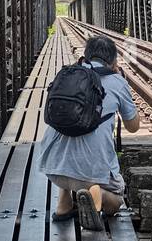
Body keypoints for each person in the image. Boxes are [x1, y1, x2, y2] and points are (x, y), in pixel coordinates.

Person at [40, 34, 140, 230]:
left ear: (85, 56)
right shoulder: (117, 81)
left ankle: (64, 204)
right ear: (113, 61)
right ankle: (97, 195)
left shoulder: (67, 75)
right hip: (90, 173)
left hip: (52, 166)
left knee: (70, 137)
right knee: (116, 201)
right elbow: (133, 126)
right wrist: (120, 81)